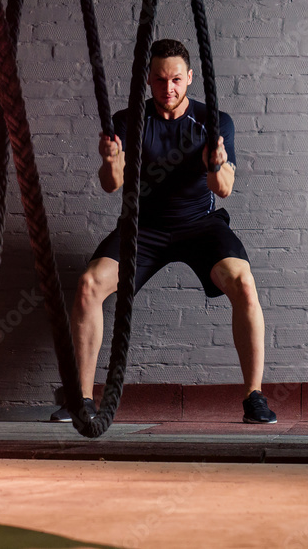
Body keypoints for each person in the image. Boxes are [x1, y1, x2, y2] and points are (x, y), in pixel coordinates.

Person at [50, 38, 277, 424]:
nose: (167, 88)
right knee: (89, 284)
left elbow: (224, 189)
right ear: (148, 82)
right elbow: (111, 184)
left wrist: (215, 163)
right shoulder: (128, 122)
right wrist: (109, 161)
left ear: (189, 78)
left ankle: (254, 397)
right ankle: (83, 400)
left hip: (199, 226)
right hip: (144, 229)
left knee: (243, 282)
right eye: (158, 80)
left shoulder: (215, 122)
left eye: (175, 79)